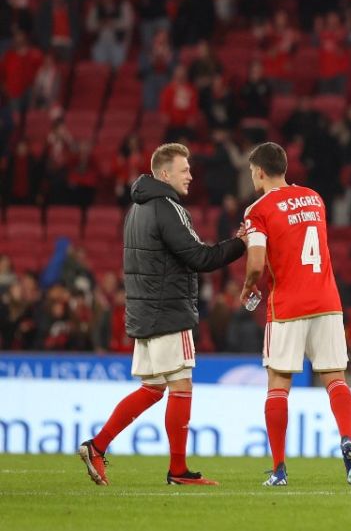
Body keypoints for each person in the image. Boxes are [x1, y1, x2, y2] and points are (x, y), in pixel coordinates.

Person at [78, 143, 247, 486]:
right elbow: (200, 258)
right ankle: (178, 470)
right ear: (165, 174)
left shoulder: (136, 210)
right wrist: (240, 243)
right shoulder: (167, 207)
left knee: (154, 387)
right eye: (184, 169)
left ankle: (97, 445)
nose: (190, 175)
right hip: (168, 311)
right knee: (181, 385)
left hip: (144, 311)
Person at [238, 142, 351, 487]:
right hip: (327, 300)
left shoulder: (257, 209)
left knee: (279, 383)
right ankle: (347, 438)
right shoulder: (314, 198)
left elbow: (257, 261)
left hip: (288, 305)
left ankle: (279, 469)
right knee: (335, 377)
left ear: (260, 171)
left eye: (252, 171)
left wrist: (250, 285)